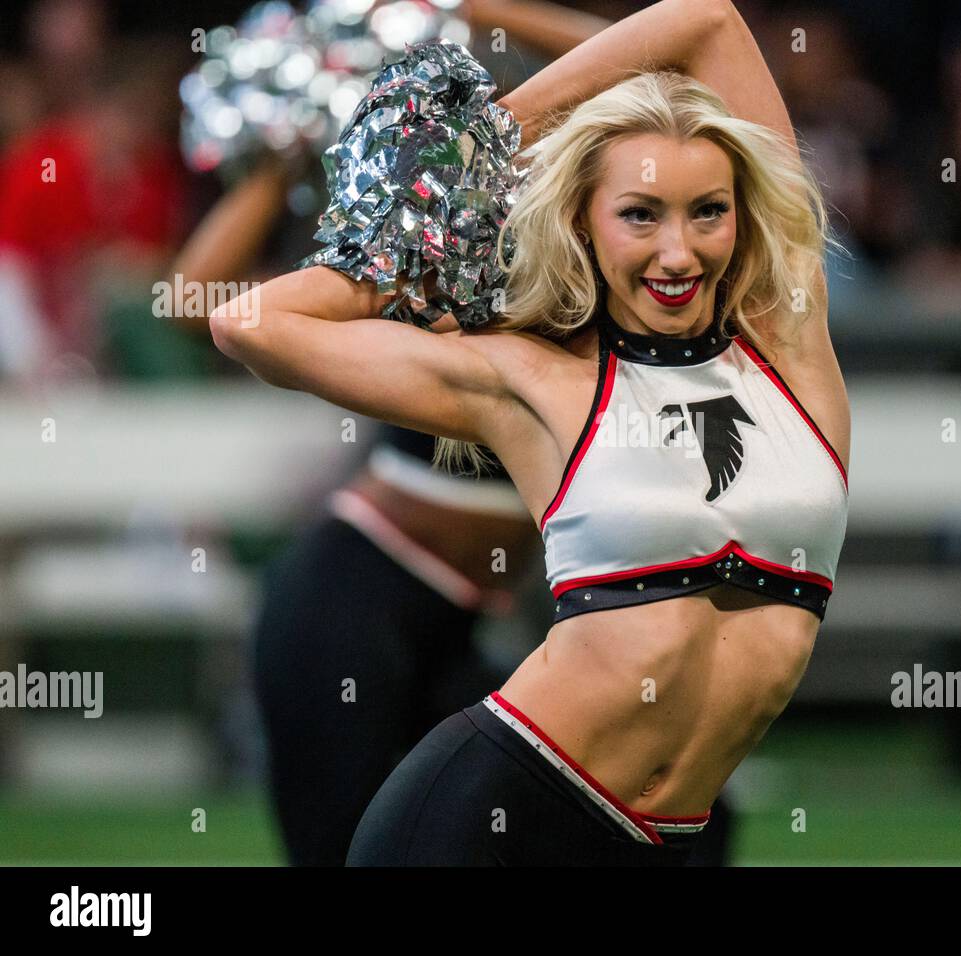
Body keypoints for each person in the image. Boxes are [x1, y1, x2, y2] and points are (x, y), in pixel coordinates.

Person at [210, 0, 849, 865]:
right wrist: (428, 213)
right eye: (639, 215)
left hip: (659, 838)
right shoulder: (532, 379)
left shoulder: (790, 341)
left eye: (708, 212)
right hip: (490, 813)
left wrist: (497, 130)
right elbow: (249, 324)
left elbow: (707, 22)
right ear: (583, 222)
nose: (678, 251)